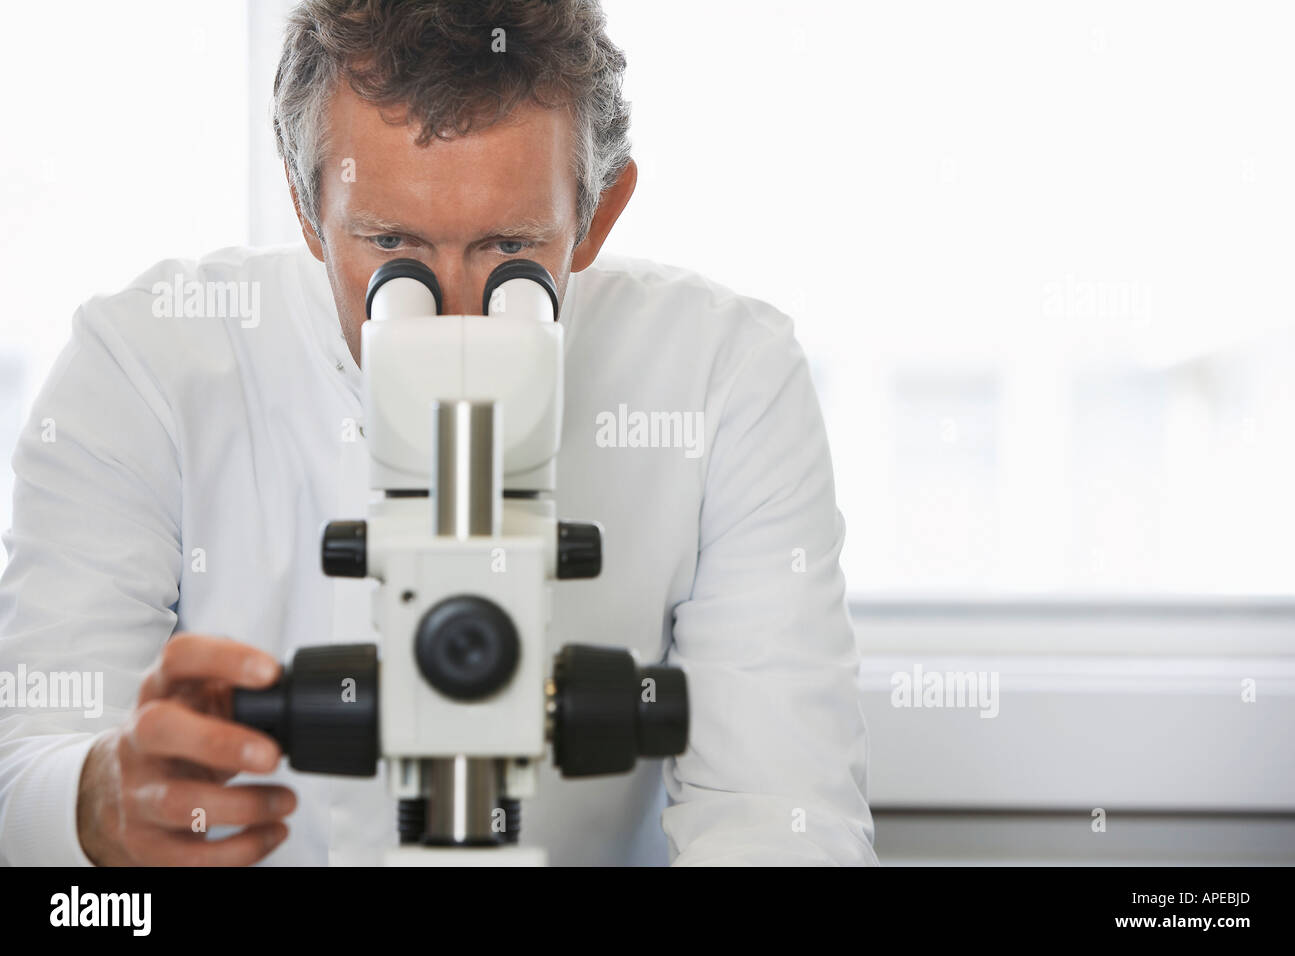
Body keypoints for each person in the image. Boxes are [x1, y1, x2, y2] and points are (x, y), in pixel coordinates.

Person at [0, 0, 878, 866]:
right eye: (391, 246)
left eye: (508, 249)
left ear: (599, 215)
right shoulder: (146, 365)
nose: (452, 317)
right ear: (306, 211)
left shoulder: (724, 378)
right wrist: (93, 800)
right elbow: (22, 774)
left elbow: (781, 816)